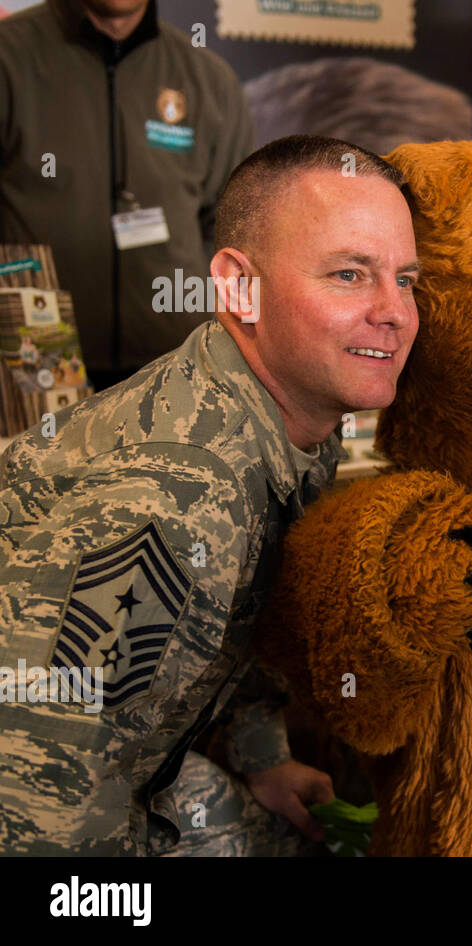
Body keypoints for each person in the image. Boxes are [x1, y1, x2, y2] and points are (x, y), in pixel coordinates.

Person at [0, 134, 420, 855]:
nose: (395, 313)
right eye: (350, 275)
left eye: (406, 279)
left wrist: (262, 760)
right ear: (238, 288)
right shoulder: (176, 498)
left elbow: (248, 613)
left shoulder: (289, 416)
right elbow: (36, 788)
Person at [0, 0, 254, 391]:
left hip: (174, 365)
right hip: (36, 364)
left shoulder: (207, 77)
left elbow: (235, 225)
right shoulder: (10, 54)